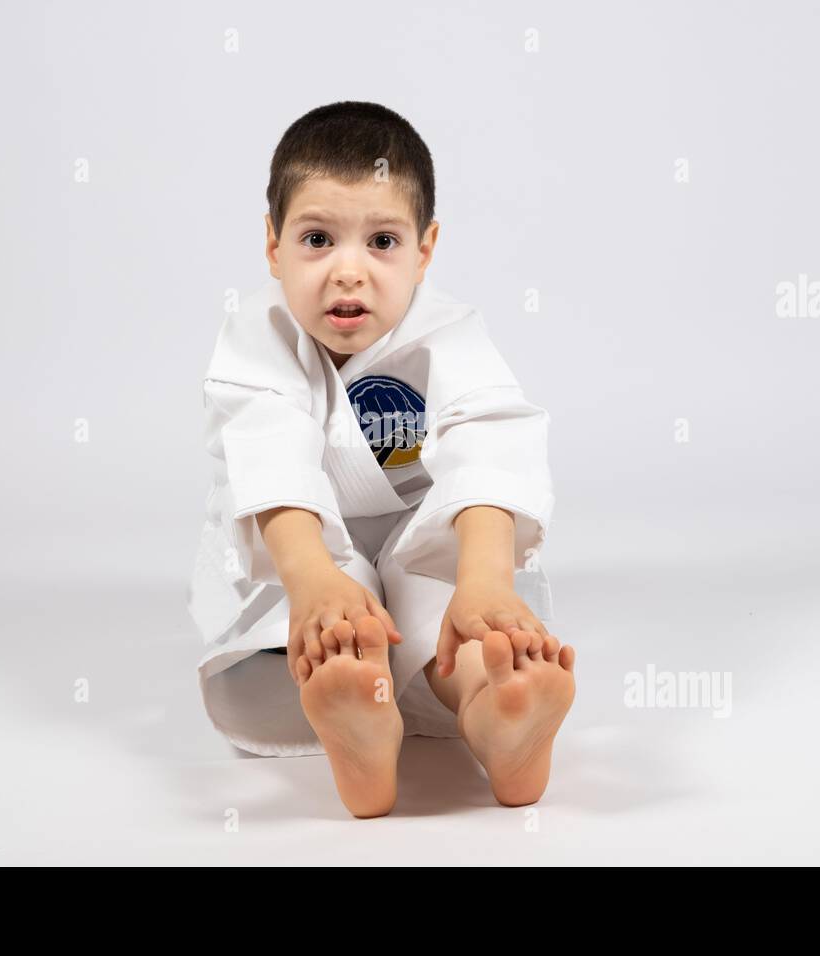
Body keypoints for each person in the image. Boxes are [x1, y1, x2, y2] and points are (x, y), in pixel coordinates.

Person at [187, 101, 576, 818]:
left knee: (447, 598)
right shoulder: (255, 335)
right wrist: (312, 583)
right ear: (273, 248)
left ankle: (497, 711)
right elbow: (269, 457)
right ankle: (357, 701)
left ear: (425, 250)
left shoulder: (447, 332)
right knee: (324, 609)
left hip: (419, 539)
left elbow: (486, 441)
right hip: (300, 543)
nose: (348, 272)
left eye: (382, 242)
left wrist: (487, 580)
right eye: (317, 239)